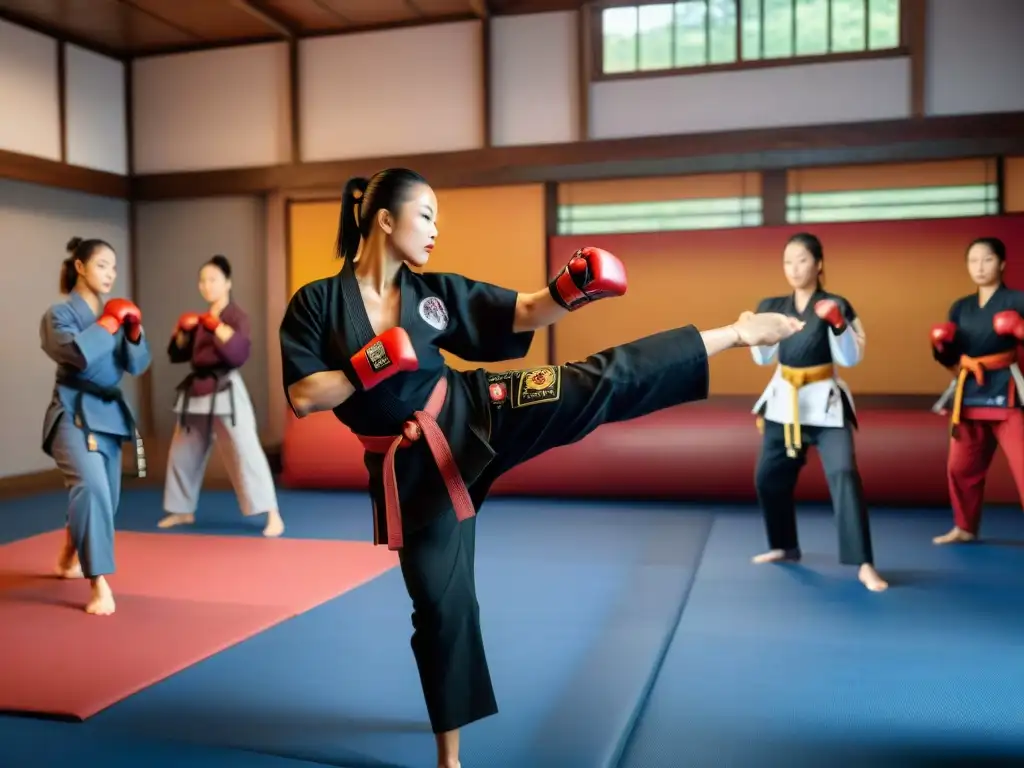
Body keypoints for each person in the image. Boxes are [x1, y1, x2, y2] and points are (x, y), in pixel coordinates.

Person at [278, 167, 803, 768]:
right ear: (385, 220)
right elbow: (304, 397)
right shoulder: (317, 303)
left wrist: (571, 289)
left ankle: (732, 333)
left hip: (475, 412)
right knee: (444, 608)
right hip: (412, 468)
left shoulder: (433, 295)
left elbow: (524, 311)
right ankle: (450, 760)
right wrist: (367, 365)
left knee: (592, 381)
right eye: (426, 215)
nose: (435, 230)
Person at [747, 232, 887, 593]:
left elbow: (851, 359)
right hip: (784, 402)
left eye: (802, 260)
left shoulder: (837, 303)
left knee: (843, 473)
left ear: (819, 264)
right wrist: (754, 334)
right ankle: (784, 545)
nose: (794, 268)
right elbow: (763, 359)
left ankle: (864, 563)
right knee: (767, 477)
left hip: (826, 402)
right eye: (788, 261)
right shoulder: (773, 305)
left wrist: (839, 323)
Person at [40, 236, 152, 615]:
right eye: (102, 264)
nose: (110, 273)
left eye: (114, 267)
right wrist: (108, 322)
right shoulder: (59, 315)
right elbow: (77, 355)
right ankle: (98, 583)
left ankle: (68, 556)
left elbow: (137, 365)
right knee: (91, 488)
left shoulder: (117, 314)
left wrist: (133, 332)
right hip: (72, 413)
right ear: (81, 267)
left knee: (108, 500)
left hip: (109, 417)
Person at [159, 255, 284, 537]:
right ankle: (182, 509)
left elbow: (239, 354)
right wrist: (181, 333)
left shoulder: (236, 316)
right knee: (183, 450)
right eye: (202, 280)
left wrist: (217, 327)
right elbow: (177, 354)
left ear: (228, 282)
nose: (206, 285)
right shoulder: (199, 319)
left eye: (213, 279)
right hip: (197, 389)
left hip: (225, 386)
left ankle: (272, 513)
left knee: (245, 450)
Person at [930, 237, 1024, 545]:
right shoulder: (961, 307)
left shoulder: (1017, 300)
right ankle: (965, 527)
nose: (980, 267)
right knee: (960, 467)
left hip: (1007, 390)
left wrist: (1020, 330)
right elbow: (951, 359)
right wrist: (940, 345)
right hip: (970, 392)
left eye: (987, 260)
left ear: (1002, 264)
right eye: (973, 261)